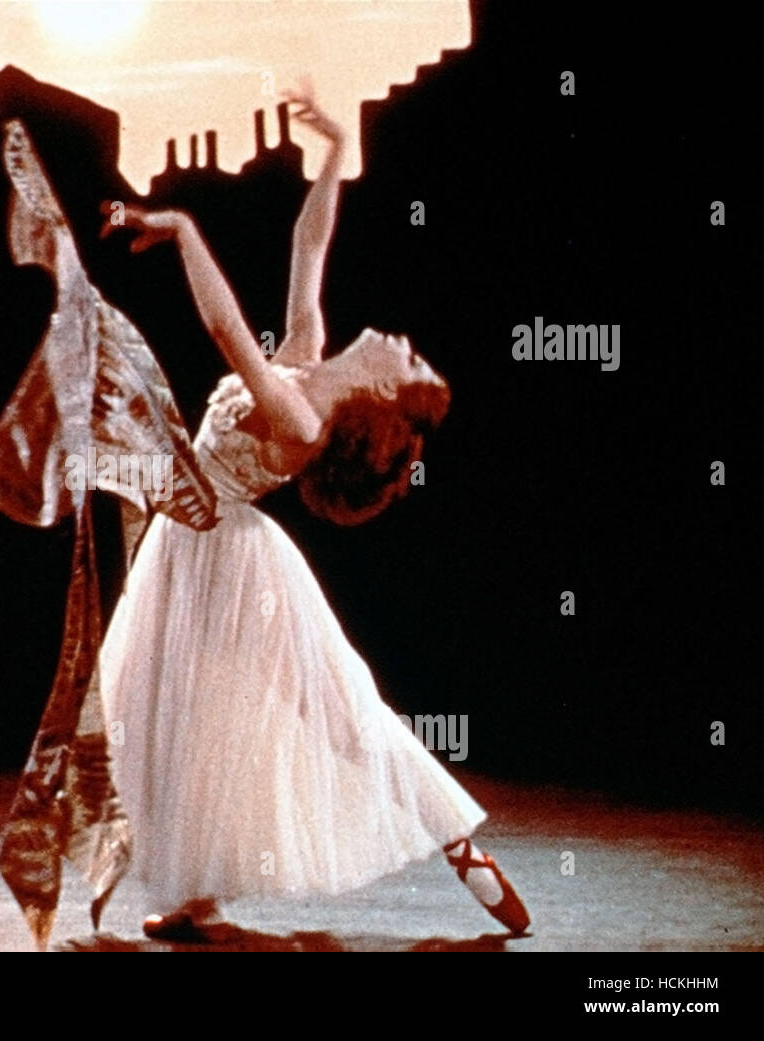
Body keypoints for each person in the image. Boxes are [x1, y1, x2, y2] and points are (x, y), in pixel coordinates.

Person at [94, 86, 530, 942]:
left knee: (337, 712)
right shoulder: (303, 356)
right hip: (187, 545)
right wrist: (334, 150)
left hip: (231, 556)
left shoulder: (300, 421)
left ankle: (458, 841)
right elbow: (309, 240)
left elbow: (223, 330)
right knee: (190, 719)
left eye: (405, 355)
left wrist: (180, 228)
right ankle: (197, 896)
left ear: (381, 387)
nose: (397, 337)